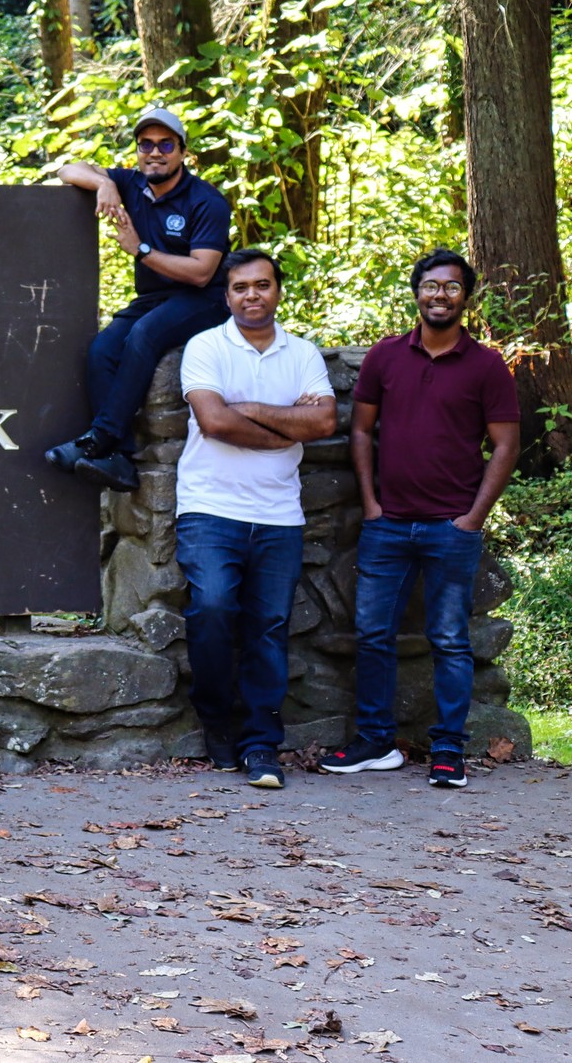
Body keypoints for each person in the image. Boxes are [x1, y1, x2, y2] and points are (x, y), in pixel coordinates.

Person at [318, 249, 520, 789]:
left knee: (450, 640)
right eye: (431, 286)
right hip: (387, 525)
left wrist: (474, 517)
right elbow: (360, 431)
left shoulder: (486, 366)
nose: (440, 295)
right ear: (416, 292)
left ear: (465, 298)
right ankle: (375, 741)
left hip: (452, 527)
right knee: (373, 634)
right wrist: (371, 504)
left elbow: (505, 446)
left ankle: (449, 750)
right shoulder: (386, 358)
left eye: (452, 288)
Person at [174, 250, 336, 788]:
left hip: (278, 514)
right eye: (241, 287)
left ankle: (261, 743)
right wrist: (287, 428)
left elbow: (325, 421)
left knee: (269, 628)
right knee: (214, 609)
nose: (252, 295)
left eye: (262, 285)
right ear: (227, 296)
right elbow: (214, 422)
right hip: (209, 507)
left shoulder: (303, 353)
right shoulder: (206, 346)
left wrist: (252, 410)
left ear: (277, 291)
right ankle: (218, 719)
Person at [48, 107, 231, 492]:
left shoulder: (206, 201)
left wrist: (141, 249)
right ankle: (121, 458)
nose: (155, 152)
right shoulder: (132, 184)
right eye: (145, 144)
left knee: (144, 335)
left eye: (166, 144)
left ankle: (98, 439)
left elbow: (202, 271)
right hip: (155, 297)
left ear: (183, 152)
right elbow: (66, 168)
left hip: (205, 297)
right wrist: (104, 184)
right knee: (102, 350)